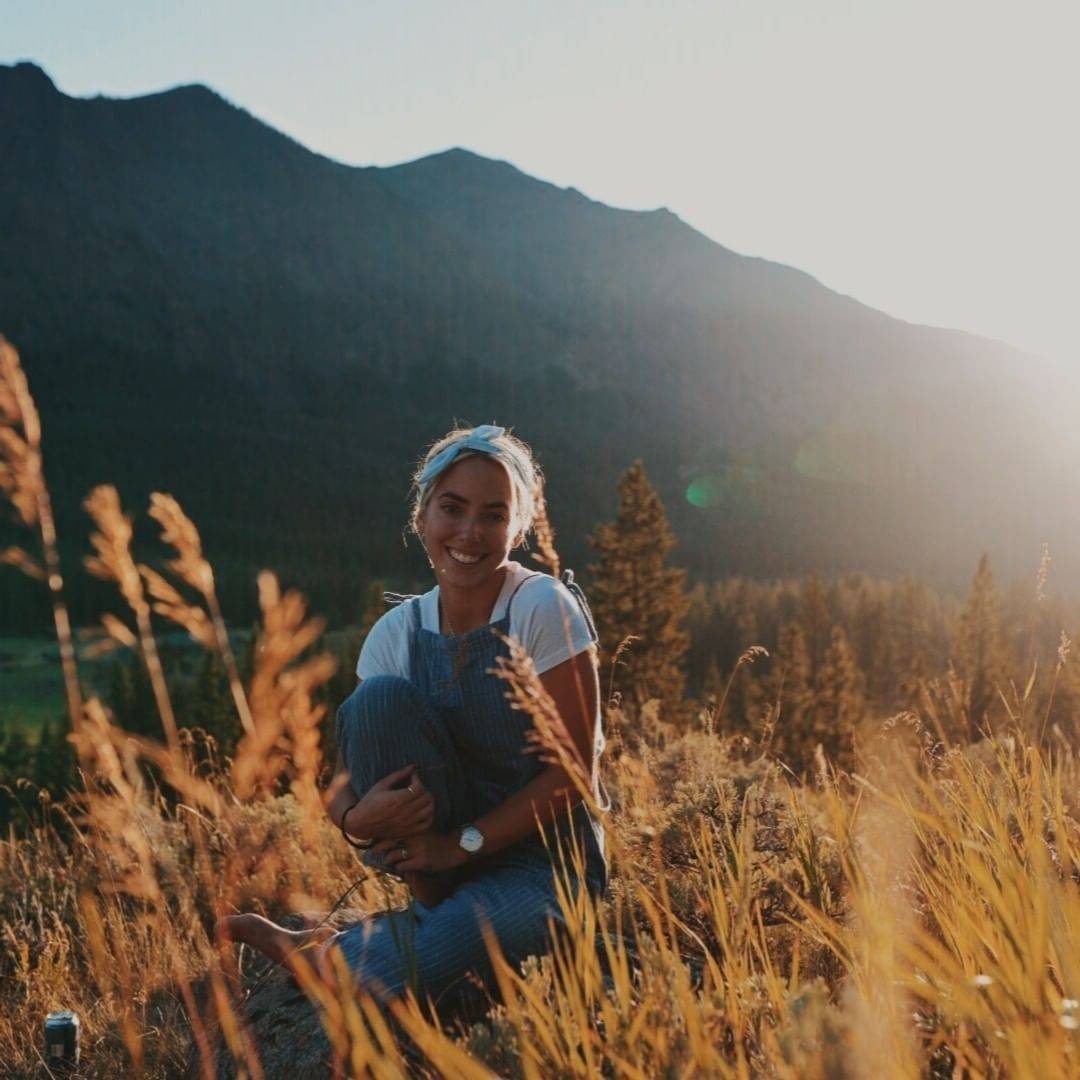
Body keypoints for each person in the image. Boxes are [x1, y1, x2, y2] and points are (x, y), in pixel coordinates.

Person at [218, 424, 606, 1006]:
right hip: (438, 865)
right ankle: (429, 913)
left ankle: (325, 954)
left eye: (494, 516)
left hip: (545, 865)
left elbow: (574, 774)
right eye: (452, 508)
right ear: (421, 515)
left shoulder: (542, 607)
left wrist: (463, 843)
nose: (470, 533)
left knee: (478, 938)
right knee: (376, 702)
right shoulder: (396, 633)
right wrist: (357, 818)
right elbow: (343, 785)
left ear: (517, 528)